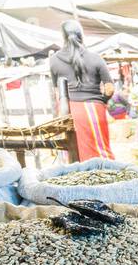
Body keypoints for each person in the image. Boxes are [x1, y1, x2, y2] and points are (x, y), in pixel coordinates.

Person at [49, 20, 115, 160]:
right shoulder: (96, 58)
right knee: (101, 151)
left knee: (73, 151)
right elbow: (109, 89)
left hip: (69, 111)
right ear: (81, 35)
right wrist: (102, 100)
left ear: (63, 36)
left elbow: (57, 92)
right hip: (94, 111)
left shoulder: (54, 60)